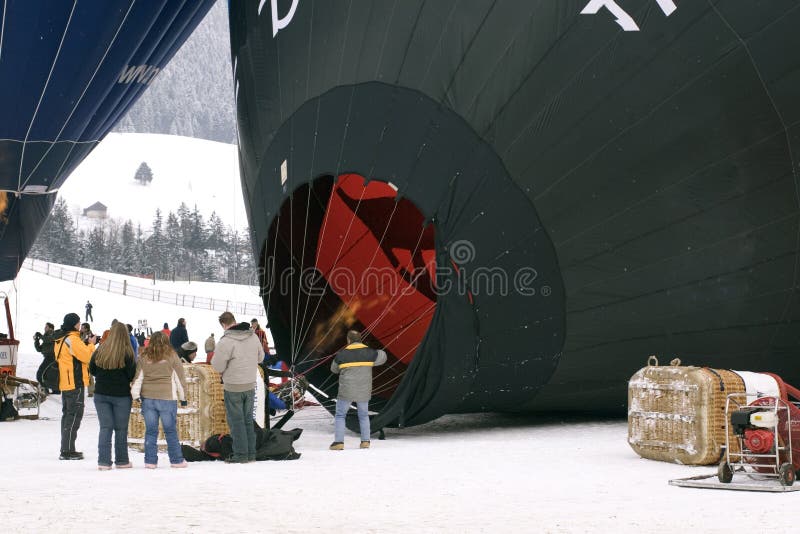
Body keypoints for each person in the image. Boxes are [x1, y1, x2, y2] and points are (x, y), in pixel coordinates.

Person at [131, 331, 188, 468]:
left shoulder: (144, 356)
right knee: (170, 431)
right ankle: (176, 460)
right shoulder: (172, 355)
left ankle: (150, 461)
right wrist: (183, 397)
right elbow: (180, 378)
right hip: (167, 398)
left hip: (148, 399)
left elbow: (138, 378)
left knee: (151, 431)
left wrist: (135, 395)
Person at [211, 311, 263, 463]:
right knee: (248, 420)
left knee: (236, 421)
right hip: (250, 384)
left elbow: (217, 366)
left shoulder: (225, 341)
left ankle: (240, 455)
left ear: (223, 324)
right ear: (234, 320)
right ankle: (251, 454)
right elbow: (261, 358)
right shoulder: (253, 336)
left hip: (233, 386)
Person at [89, 321, 136, 470]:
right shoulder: (128, 352)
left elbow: (92, 369)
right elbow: (131, 374)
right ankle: (122, 461)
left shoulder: (100, 350)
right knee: (121, 429)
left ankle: (103, 462)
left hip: (101, 394)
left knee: (105, 428)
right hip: (121, 395)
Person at [329, 330, 386, 451]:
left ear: (348, 340)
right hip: (363, 390)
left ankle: (339, 442)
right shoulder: (370, 353)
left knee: (340, 415)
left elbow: (334, 369)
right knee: (364, 415)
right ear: (360, 339)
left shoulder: (342, 354)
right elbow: (383, 357)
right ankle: (365, 441)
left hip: (346, 390)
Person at [54, 312, 96, 460]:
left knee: (67, 416)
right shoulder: (72, 339)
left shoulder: (61, 338)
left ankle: (66, 448)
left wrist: (85, 344)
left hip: (66, 382)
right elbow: (88, 357)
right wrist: (91, 345)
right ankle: (67, 451)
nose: (80, 325)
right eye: (78, 322)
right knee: (74, 416)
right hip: (75, 383)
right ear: (74, 324)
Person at [34, 322, 58, 394]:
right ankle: (53, 390)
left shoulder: (53, 335)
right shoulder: (46, 337)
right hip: (47, 357)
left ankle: (46, 389)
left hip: (52, 357)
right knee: (48, 374)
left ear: (51, 328)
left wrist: (40, 336)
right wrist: (36, 340)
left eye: (46, 327)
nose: (44, 328)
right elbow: (39, 349)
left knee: (40, 374)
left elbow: (48, 339)